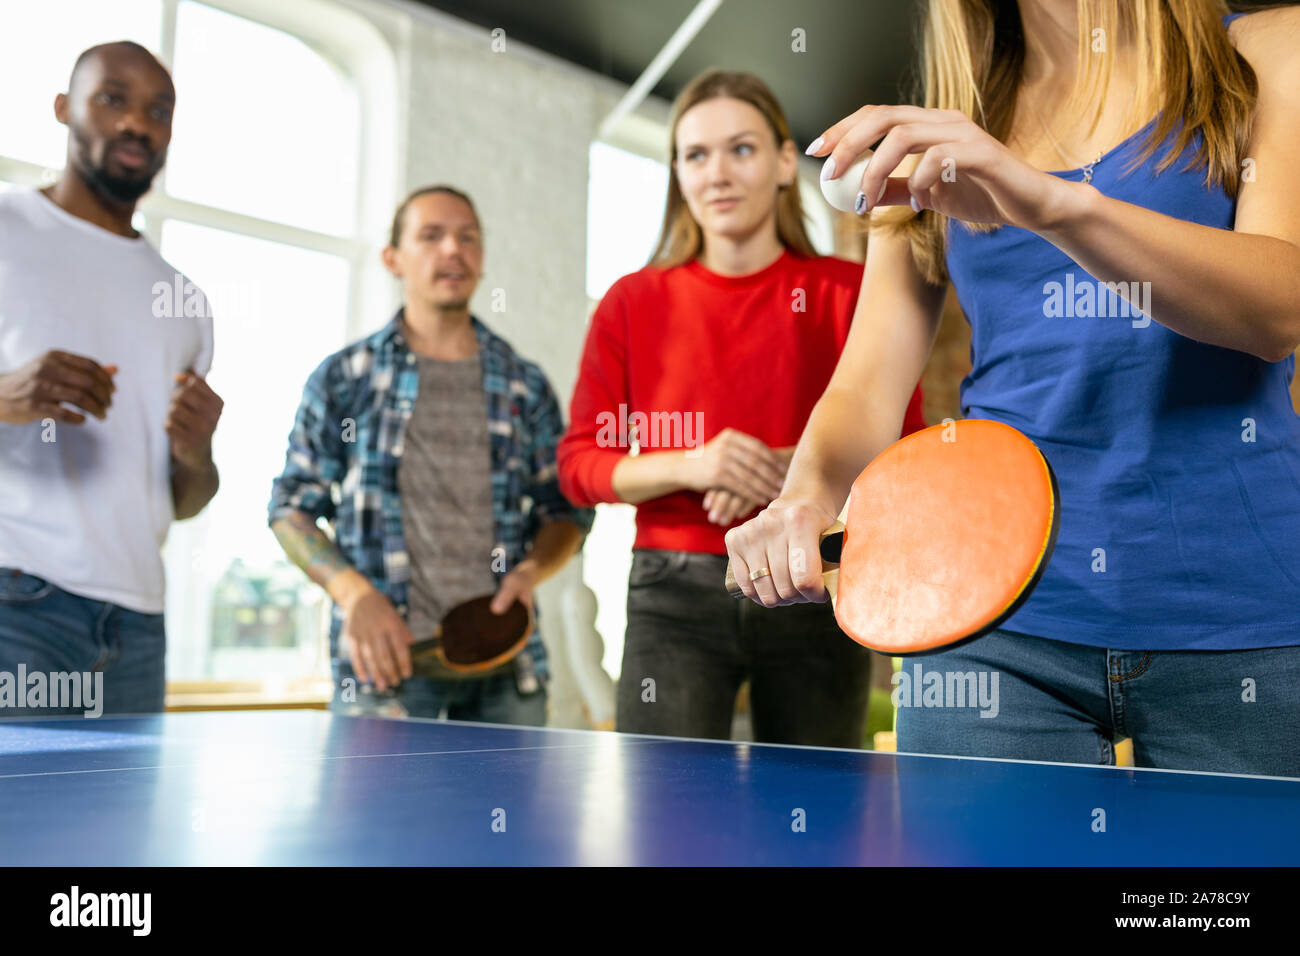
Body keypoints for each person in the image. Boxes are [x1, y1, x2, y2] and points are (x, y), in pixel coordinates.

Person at [726, 0, 1300, 776]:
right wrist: (804, 495)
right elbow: (866, 388)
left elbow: (1279, 310)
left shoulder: (1263, 50)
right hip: (983, 611)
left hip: (1239, 611)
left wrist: (1049, 203)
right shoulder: (942, 131)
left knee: (1207, 906)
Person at [558, 70, 927, 746]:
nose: (717, 173)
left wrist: (788, 473)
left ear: (788, 163)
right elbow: (581, 465)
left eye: (742, 149)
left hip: (816, 574)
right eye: (696, 155)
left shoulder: (851, 290)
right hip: (672, 596)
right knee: (665, 814)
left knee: (816, 814)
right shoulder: (631, 302)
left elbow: (910, 456)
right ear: (677, 172)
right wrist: (700, 465)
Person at [270, 185, 593, 724]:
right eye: (431, 236)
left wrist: (530, 574)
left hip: (508, 669)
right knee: (381, 815)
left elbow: (567, 511)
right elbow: (289, 509)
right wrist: (354, 595)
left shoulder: (525, 385)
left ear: (482, 257)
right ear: (392, 258)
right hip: (384, 672)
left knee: (510, 812)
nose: (452, 250)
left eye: (468, 238)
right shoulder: (342, 379)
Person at [0, 41, 222, 716]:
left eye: (159, 110)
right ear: (65, 109)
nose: (138, 124)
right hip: (17, 604)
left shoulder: (184, 299)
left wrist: (195, 454)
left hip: (137, 624)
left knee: (121, 826)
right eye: (113, 99)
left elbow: (186, 500)